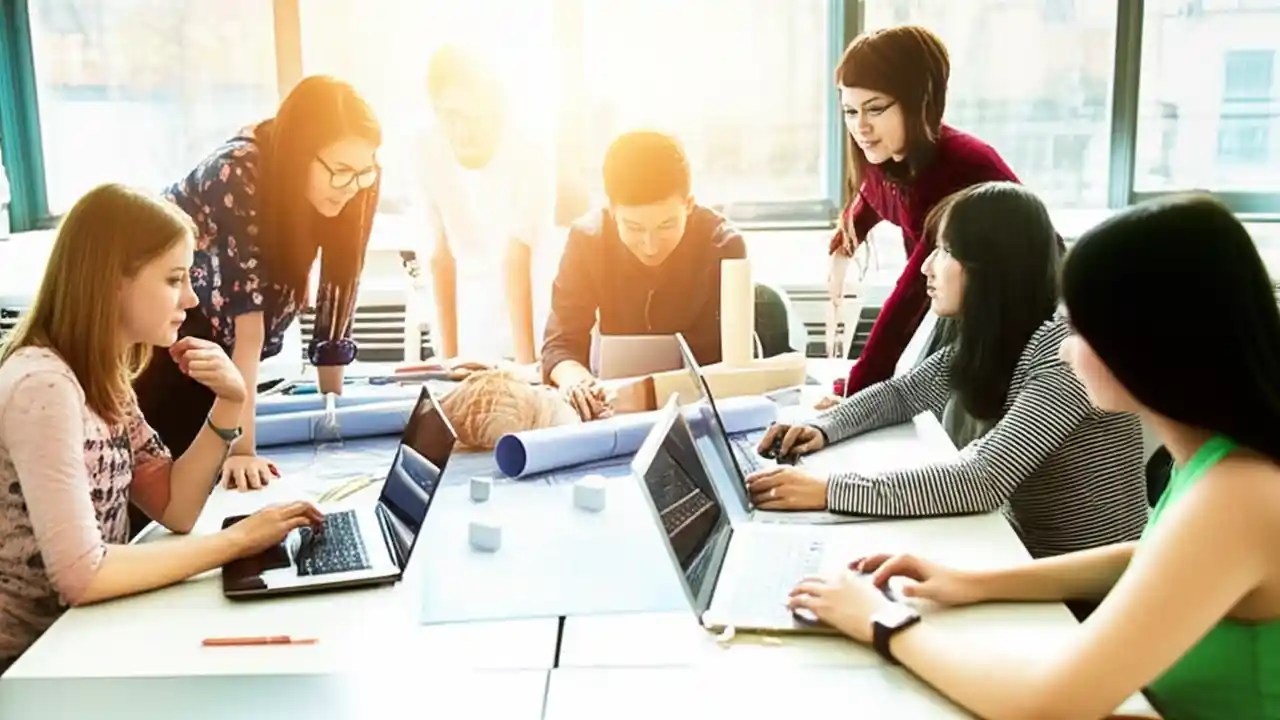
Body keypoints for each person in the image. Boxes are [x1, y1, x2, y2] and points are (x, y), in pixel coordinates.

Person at [784, 195, 1280, 720]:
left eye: (1083, 329)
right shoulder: (1216, 465)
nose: (1069, 347)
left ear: (1148, 342)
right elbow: (1151, 553)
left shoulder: (1239, 493)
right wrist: (973, 583)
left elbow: (1043, 705)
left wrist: (881, 623)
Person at [0, 185, 323, 672]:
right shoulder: (43, 386)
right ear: (113, 281)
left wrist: (231, 402)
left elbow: (176, 506)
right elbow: (82, 574)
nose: (191, 298)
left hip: (69, 646)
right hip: (24, 667)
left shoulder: (103, 378)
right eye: (175, 279)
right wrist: (236, 543)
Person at [748, 183, 1148, 561]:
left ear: (990, 266)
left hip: (1085, 595)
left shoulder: (1063, 355)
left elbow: (980, 481)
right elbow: (903, 394)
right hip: (1027, 557)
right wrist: (822, 427)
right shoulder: (1002, 333)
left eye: (944, 251)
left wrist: (827, 491)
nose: (926, 266)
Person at [136, 76, 382, 493]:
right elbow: (248, 325)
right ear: (301, 153)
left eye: (364, 172)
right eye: (340, 172)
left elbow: (340, 283)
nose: (353, 186)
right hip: (163, 345)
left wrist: (332, 410)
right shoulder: (237, 171)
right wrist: (242, 450)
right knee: (175, 485)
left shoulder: (357, 176)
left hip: (222, 349)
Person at [829, 25, 1024, 398]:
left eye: (875, 109)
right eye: (850, 111)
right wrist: (843, 243)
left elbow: (910, 296)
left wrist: (855, 389)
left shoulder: (959, 168)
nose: (860, 127)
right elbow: (871, 198)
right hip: (968, 326)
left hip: (1015, 336)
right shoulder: (889, 153)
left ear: (921, 101)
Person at [541, 131, 746, 421]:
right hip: (610, 413)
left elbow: (724, 367)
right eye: (634, 228)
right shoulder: (588, 240)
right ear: (612, 211)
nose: (650, 246)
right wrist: (577, 383)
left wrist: (641, 394)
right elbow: (560, 343)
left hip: (698, 414)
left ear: (688, 204)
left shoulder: (722, 246)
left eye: (666, 225)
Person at [419, 44, 554, 365]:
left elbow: (517, 255)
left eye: (474, 116)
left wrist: (527, 366)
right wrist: (448, 361)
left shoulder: (531, 149)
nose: (462, 130)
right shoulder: (426, 147)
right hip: (472, 314)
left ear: (495, 109)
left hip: (533, 306)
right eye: (450, 116)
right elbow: (440, 256)